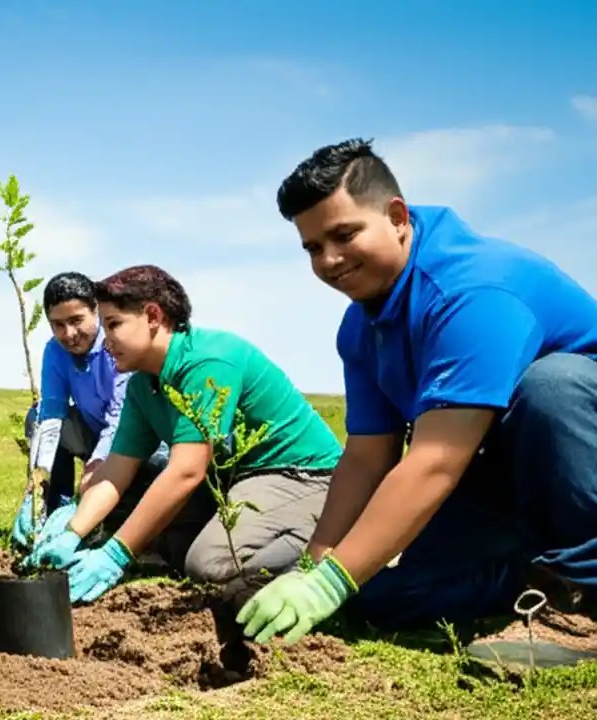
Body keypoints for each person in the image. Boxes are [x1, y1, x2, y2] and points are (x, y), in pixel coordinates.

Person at [238, 138, 597, 646]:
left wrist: (327, 585)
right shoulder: (361, 326)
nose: (329, 260)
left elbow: (434, 462)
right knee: (381, 598)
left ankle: (584, 598)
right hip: (501, 475)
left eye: (344, 234)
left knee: (553, 384)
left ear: (398, 216)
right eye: (313, 247)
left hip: (576, 459)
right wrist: (315, 567)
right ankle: (540, 582)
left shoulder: (474, 291)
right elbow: (366, 457)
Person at [24, 265, 343, 607]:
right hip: (232, 481)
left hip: (300, 476)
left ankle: (334, 548)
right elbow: (116, 471)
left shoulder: (208, 360)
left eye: (113, 324)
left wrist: (114, 555)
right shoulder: (143, 384)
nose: (106, 339)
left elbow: (186, 471)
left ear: (152, 316)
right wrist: (71, 530)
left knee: (207, 564)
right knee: (157, 530)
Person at [12, 271, 168, 552]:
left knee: (152, 468)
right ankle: (52, 513)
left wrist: (97, 465)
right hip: (90, 432)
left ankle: (111, 517)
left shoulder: (117, 346)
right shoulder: (55, 352)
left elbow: (120, 417)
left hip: (140, 443)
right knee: (36, 416)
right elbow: (51, 416)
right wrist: (38, 483)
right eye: (57, 325)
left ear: (95, 310)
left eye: (76, 321)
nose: (68, 334)